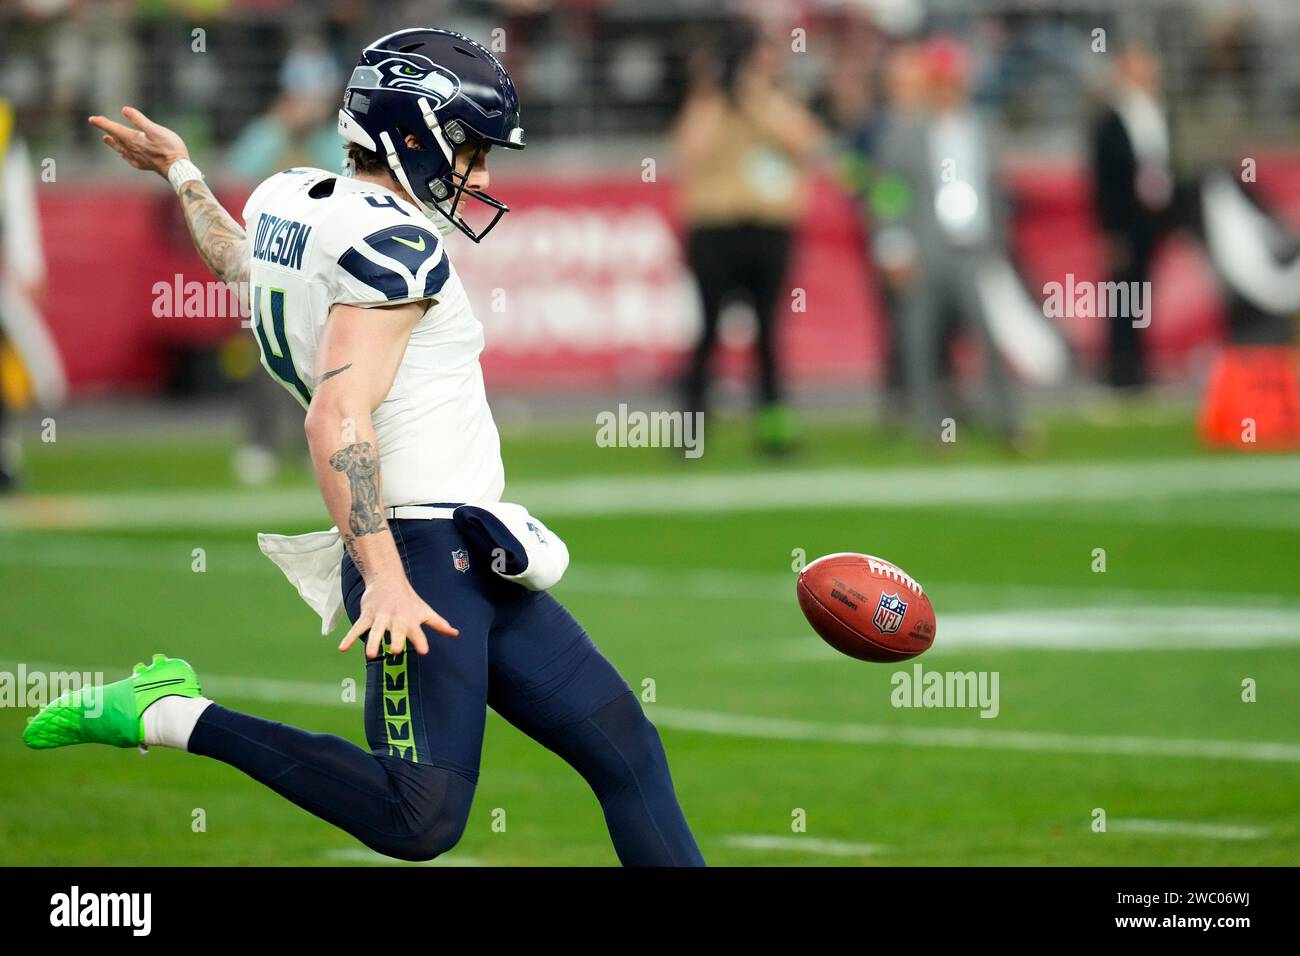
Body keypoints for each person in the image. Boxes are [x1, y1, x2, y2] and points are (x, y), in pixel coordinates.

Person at [25, 28, 704, 867]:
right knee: (419, 816)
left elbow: (240, 262)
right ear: (411, 133)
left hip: (474, 548)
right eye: (470, 148)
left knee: (625, 748)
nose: (482, 174)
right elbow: (335, 413)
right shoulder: (399, 246)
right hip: (414, 549)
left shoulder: (291, 198)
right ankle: (168, 712)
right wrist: (382, 574)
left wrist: (183, 174)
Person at [671, 20, 823, 454]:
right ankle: (691, 432)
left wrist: (752, 95)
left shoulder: (777, 100)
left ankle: (774, 429)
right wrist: (715, 94)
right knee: (707, 333)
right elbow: (690, 150)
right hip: (715, 227)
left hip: (768, 228)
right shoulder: (707, 103)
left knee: (769, 333)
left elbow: (805, 141)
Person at [1089, 41, 1174, 391]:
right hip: (1124, 222)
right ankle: (1121, 368)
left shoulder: (1158, 114)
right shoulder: (1110, 121)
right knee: (1122, 294)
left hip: (1150, 221)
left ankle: (1139, 363)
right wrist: (1110, 231)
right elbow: (1104, 181)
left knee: (1142, 294)